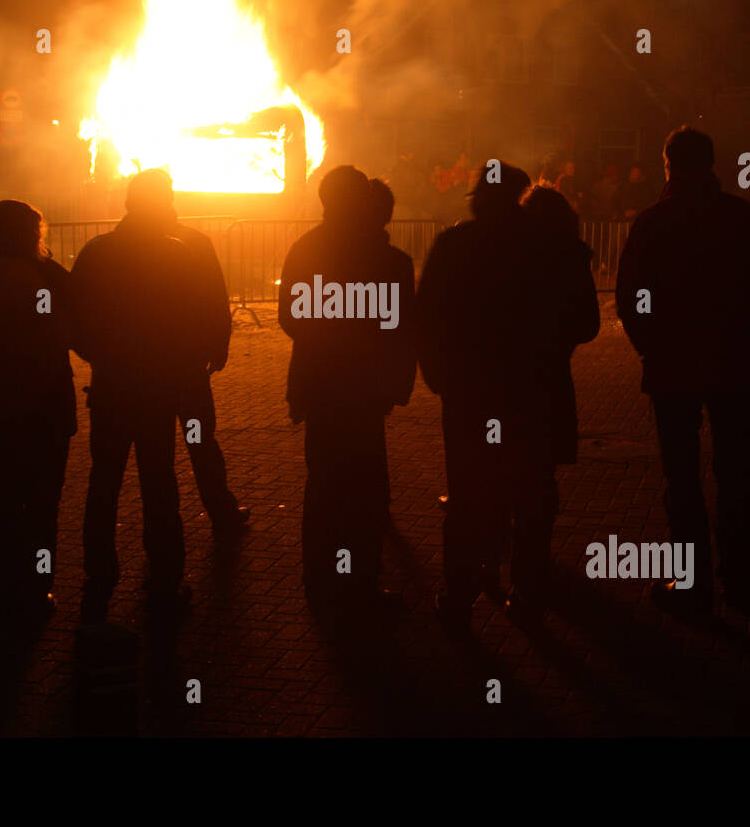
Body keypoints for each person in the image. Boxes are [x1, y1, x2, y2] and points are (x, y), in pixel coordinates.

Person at [615, 127, 750, 614]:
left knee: (681, 478)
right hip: (736, 366)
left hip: (674, 367)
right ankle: (741, 578)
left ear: (670, 165)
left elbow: (631, 298)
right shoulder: (743, 220)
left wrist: (652, 348)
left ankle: (693, 583)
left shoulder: (653, 223)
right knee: (736, 471)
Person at [418, 163, 580, 631]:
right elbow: (585, 320)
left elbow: (425, 315)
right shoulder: (551, 245)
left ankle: (462, 589)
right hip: (535, 391)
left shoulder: (455, 245)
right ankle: (527, 592)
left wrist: (438, 376)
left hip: (470, 393)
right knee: (532, 492)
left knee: (470, 491)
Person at [70, 170, 208, 623]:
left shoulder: (96, 253)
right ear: (162, 202)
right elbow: (193, 322)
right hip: (157, 388)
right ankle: (166, 579)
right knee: (159, 482)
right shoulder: (177, 254)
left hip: (111, 387)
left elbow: (77, 321)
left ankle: (100, 571)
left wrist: (102, 358)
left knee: (104, 481)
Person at [278, 166, 416, 615]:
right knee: (365, 490)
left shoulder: (305, 250)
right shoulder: (390, 262)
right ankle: (359, 583)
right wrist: (395, 383)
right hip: (364, 393)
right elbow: (401, 329)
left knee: (323, 486)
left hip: (321, 388)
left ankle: (319, 580)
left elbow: (290, 319)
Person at [0, 200, 75, 630]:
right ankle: (37, 590)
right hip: (43, 410)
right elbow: (70, 331)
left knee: (0, 505)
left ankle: (5, 598)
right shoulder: (45, 277)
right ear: (33, 234)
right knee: (42, 506)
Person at [168, 199, 250, 539]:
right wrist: (218, 345)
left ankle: (162, 532)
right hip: (186, 364)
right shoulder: (194, 242)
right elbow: (215, 296)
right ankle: (219, 508)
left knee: (153, 452)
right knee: (199, 438)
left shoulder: (114, 247)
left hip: (138, 372)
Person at [520, 184, 601, 466]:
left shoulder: (515, 261)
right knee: (543, 473)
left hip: (515, 383)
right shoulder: (572, 261)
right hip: (555, 379)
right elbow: (589, 324)